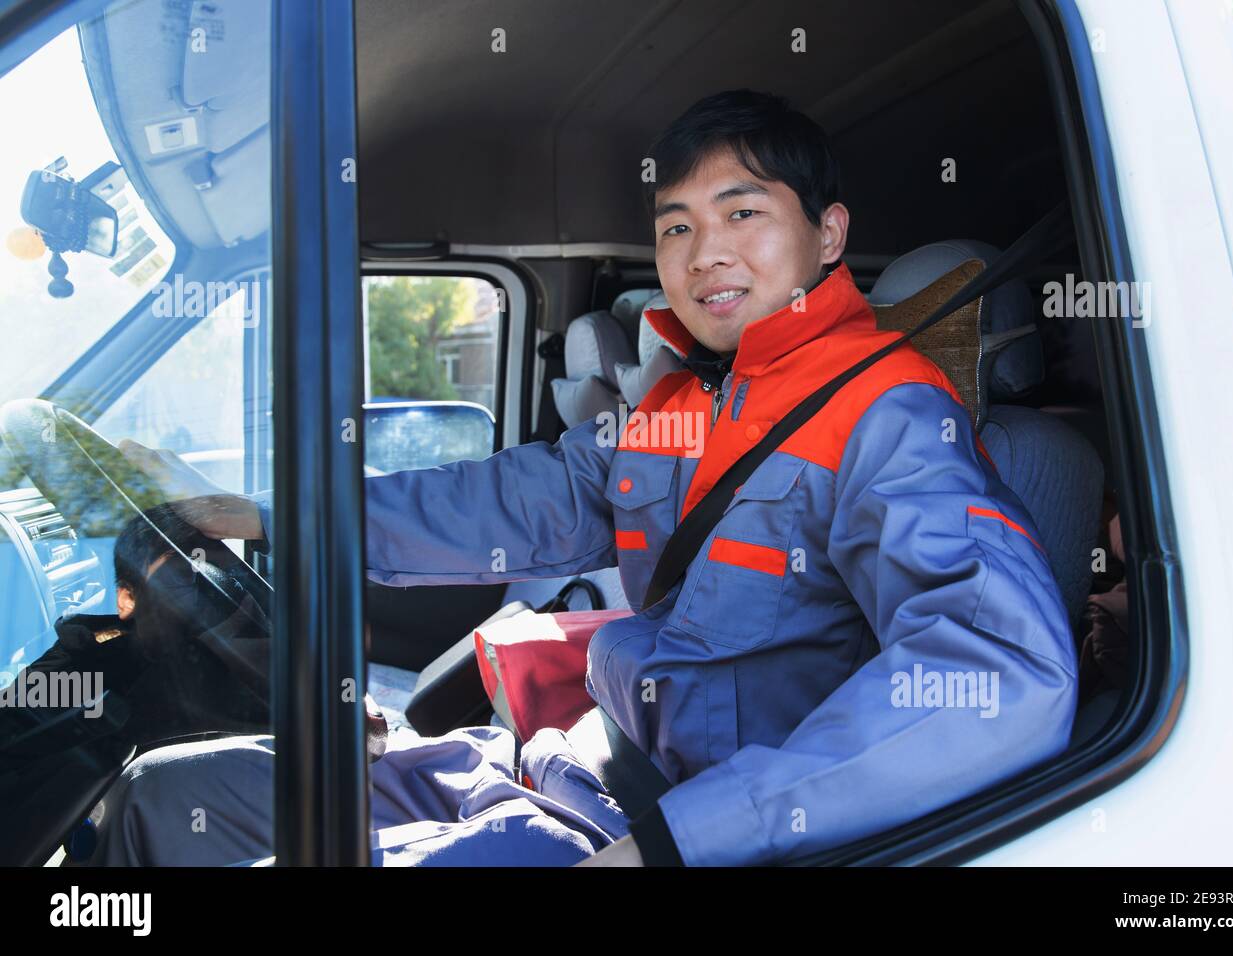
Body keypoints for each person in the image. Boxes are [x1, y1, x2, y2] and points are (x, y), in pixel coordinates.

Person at [94, 89, 1077, 867]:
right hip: (567, 760)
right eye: (678, 225)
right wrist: (277, 516)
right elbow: (517, 502)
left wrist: (675, 841)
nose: (707, 251)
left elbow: (1003, 674)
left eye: (744, 212)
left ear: (827, 235)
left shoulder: (890, 418)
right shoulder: (692, 397)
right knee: (158, 796)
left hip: (656, 828)